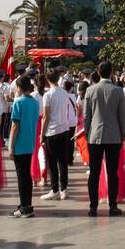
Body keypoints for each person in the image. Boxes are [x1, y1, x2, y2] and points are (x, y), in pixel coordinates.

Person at [82, 61, 125, 217]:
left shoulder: (90, 91)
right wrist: (122, 135)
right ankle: (113, 205)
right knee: (112, 172)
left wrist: (87, 134)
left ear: (98, 72)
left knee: (94, 173)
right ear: (112, 72)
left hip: (95, 135)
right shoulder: (118, 91)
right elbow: (122, 117)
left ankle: (93, 207)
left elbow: (86, 117)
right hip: (114, 136)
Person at [40, 69, 73, 201]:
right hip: (64, 129)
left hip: (52, 131)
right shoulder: (65, 93)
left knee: (53, 162)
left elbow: (46, 117)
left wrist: (42, 134)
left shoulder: (47, 95)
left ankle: (55, 190)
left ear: (47, 80)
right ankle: (64, 189)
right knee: (63, 162)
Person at [9, 76, 40, 218]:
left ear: (19, 88)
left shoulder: (18, 102)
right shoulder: (34, 102)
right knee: (27, 175)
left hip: (20, 143)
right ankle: (27, 204)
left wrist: (10, 146)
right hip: (30, 142)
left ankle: (25, 207)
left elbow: (15, 126)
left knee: (22, 176)